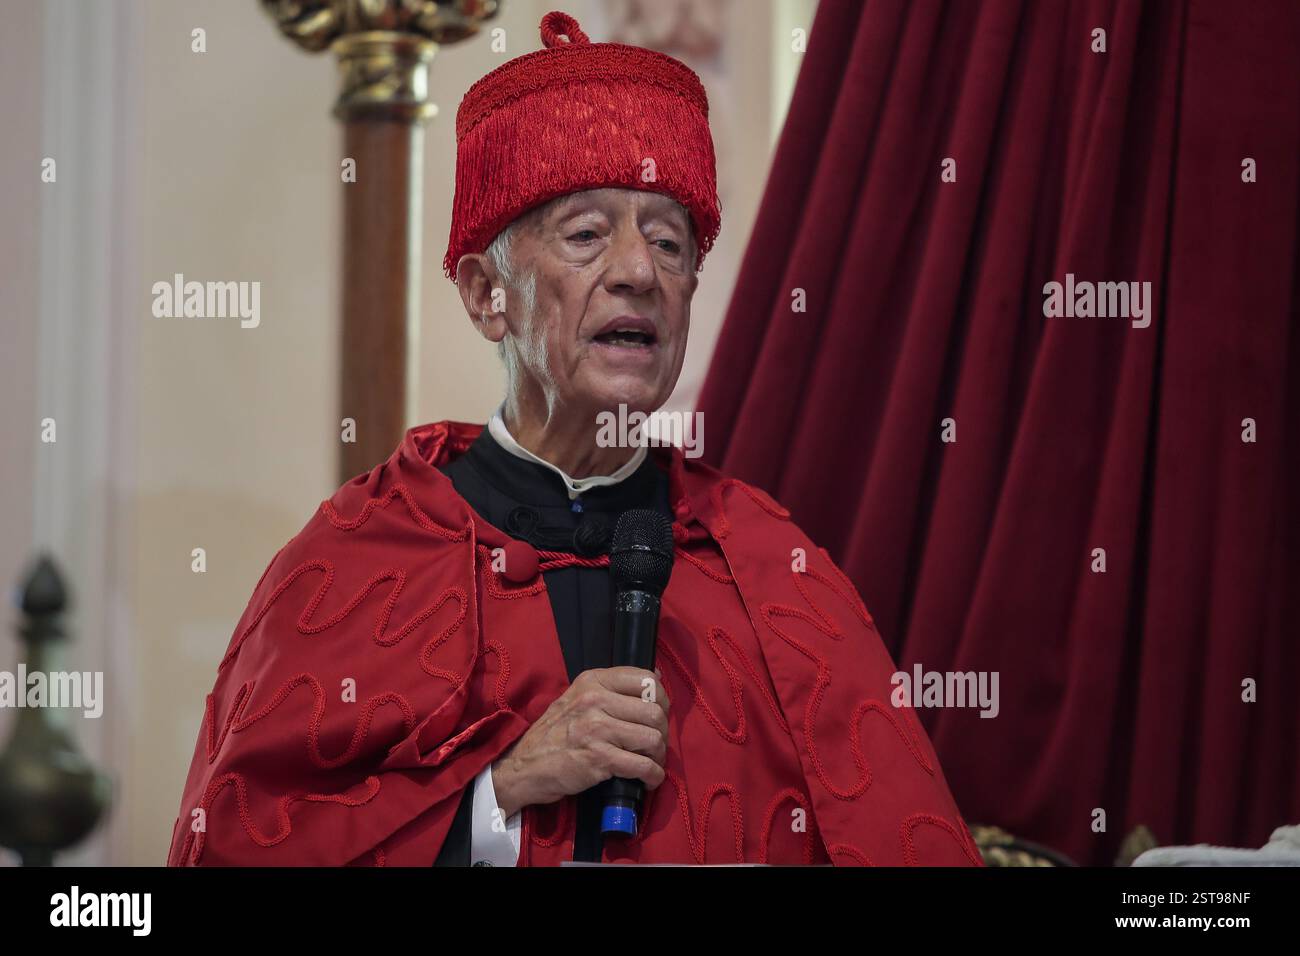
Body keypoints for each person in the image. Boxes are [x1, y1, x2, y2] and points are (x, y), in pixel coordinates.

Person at [167, 11, 981, 867]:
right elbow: (240, 845)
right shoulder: (360, 554)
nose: (639, 271)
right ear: (488, 296)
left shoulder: (772, 566)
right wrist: (502, 792)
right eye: (588, 234)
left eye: (669, 243)